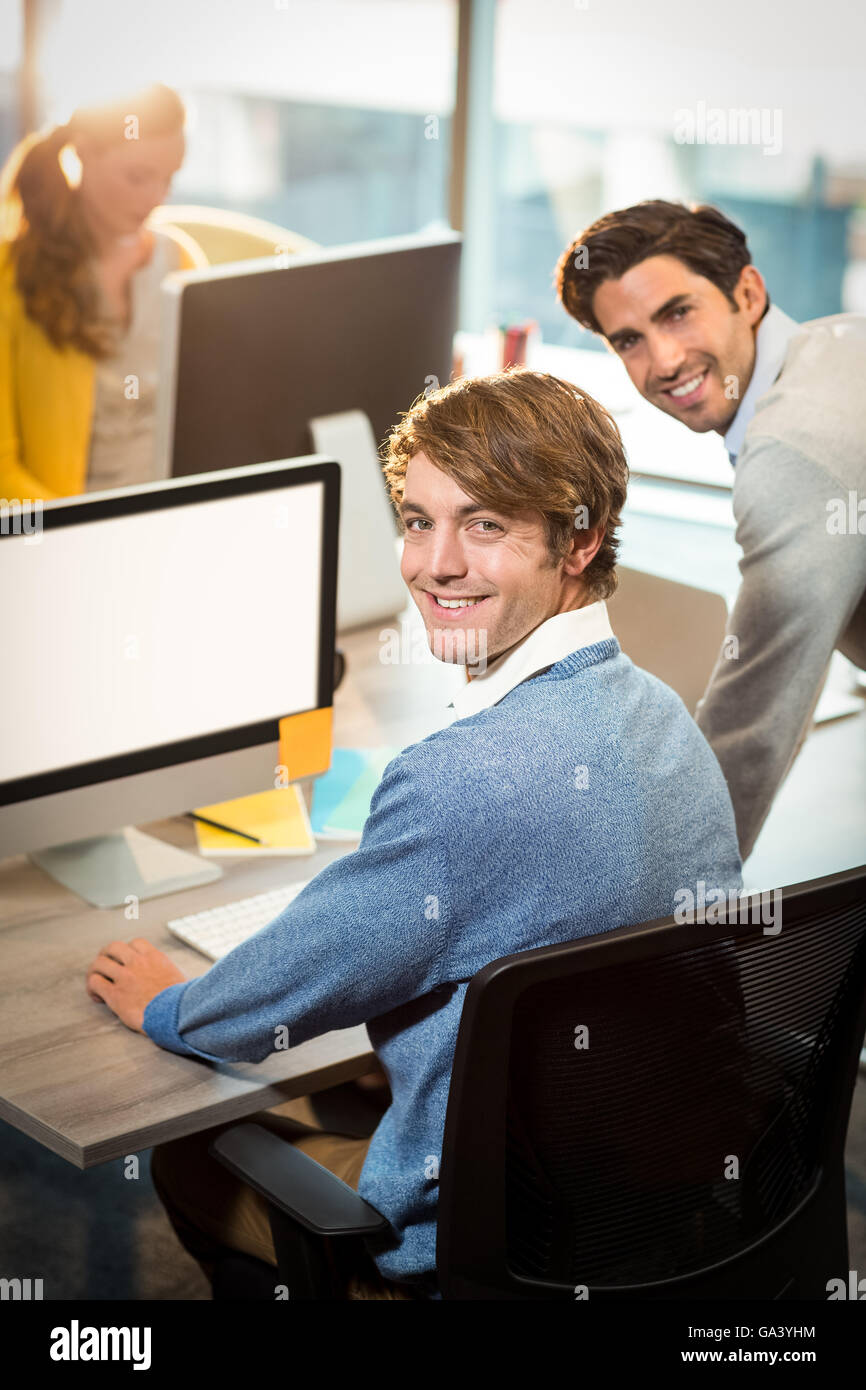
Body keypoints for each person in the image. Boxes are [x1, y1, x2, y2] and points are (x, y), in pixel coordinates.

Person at [84, 367, 742, 1299]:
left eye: (485, 526)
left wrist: (165, 1003)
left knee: (189, 1153)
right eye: (417, 519)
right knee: (351, 1080)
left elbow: (259, 1012)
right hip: (657, 1205)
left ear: (580, 540)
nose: (434, 563)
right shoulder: (667, 715)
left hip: (488, 1246)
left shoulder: (454, 785)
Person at [555, 201, 866, 860]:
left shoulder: (791, 451)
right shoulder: (844, 343)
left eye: (677, 312)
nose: (663, 360)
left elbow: (751, 727)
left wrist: (643, 928)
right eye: (628, 340)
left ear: (747, 293)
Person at [0, 83, 204, 502]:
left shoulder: (180, 261)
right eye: (138, 177)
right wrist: (76, 533)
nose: (156, 199)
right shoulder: (11, 274)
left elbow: (211, 410)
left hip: (177, 510)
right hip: (66, 527)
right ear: (84, 153)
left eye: (169, 179)